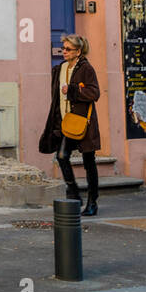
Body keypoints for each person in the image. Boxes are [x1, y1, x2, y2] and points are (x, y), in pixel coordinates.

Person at [38, 34, 102, 217]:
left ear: (78, 51)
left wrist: (73, 90)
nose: (63, 52)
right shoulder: (60, 69)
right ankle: (73, 191)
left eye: (68, 49)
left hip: (83, 123)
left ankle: (92, 202)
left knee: (89, 163)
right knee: (61, 155)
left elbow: (94, 93)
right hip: (66, 123)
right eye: (63, 48)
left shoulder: (86, 69)